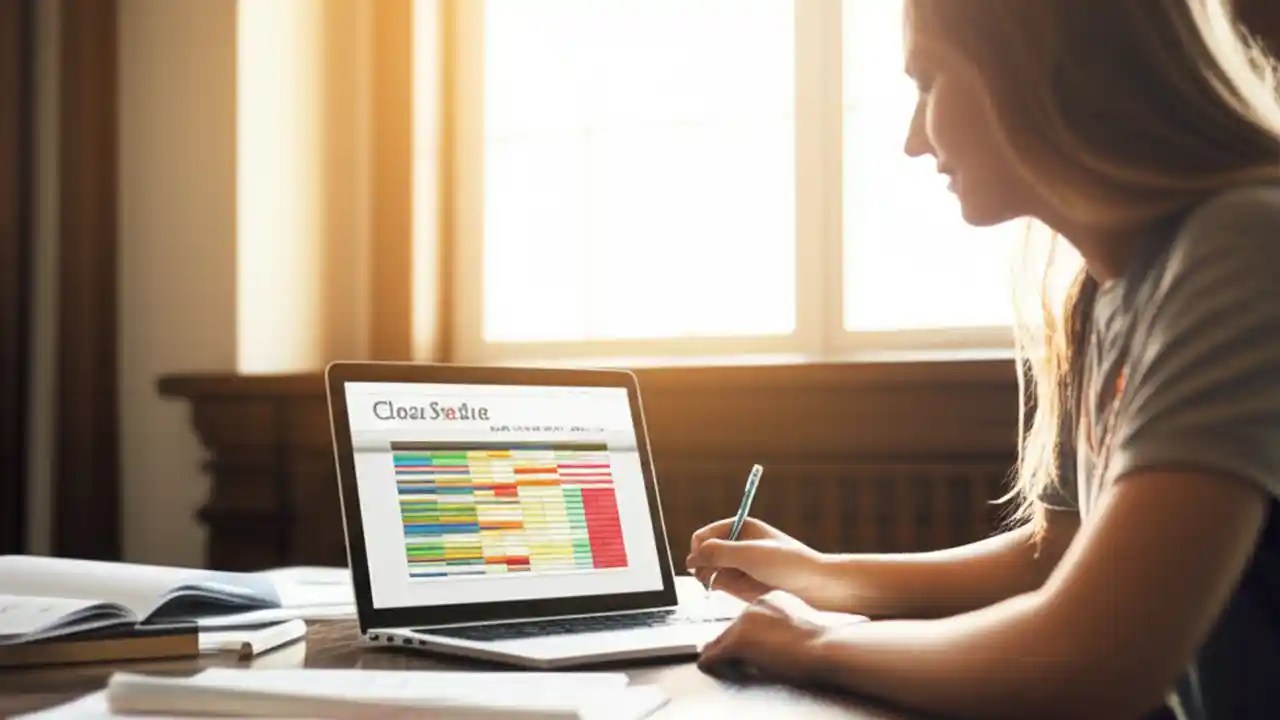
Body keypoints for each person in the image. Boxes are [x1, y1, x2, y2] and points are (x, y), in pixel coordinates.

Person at [685, 2, 1280, 718]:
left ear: (1041, 66)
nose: (913, 139)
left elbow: (1088, 661)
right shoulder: (1102, 293)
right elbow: (1062, 553)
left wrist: (814, 644)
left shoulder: (1245, 243)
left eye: (930, 80)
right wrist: (823, 578)